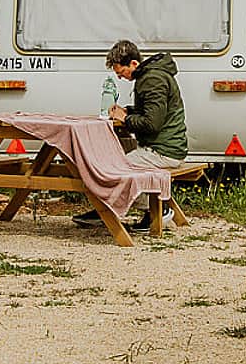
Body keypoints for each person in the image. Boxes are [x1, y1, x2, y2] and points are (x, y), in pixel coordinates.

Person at [73, 39, 188, 232]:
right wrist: (128, 111)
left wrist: (125, 119)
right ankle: (107, 208)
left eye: (122, 72)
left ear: (134, 63)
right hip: (163, 146)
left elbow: (152, 123)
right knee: (117, 149)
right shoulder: (152, 76)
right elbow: (153, 110)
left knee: (113, 168)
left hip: (164, 151)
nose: (120, 78)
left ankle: (157, 209)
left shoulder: (152, 80)